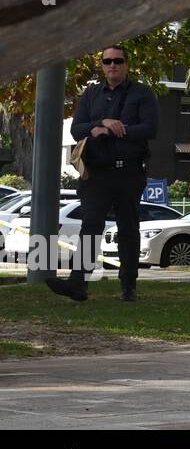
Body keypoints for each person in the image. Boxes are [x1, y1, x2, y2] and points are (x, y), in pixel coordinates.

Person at [48, 45, 159, 302]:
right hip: (96, 174)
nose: (112, 65)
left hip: (128, 172)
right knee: (91, 226)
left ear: (126, 64)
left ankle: (128, 285)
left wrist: (118, 129)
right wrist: (100, 124)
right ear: (103, 66)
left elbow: (150, 129)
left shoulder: (142, 93)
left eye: (117, 61)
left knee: (128, 229)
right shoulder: (91, 94)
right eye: (107, 61)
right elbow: (77, 129)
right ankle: (78, 284)